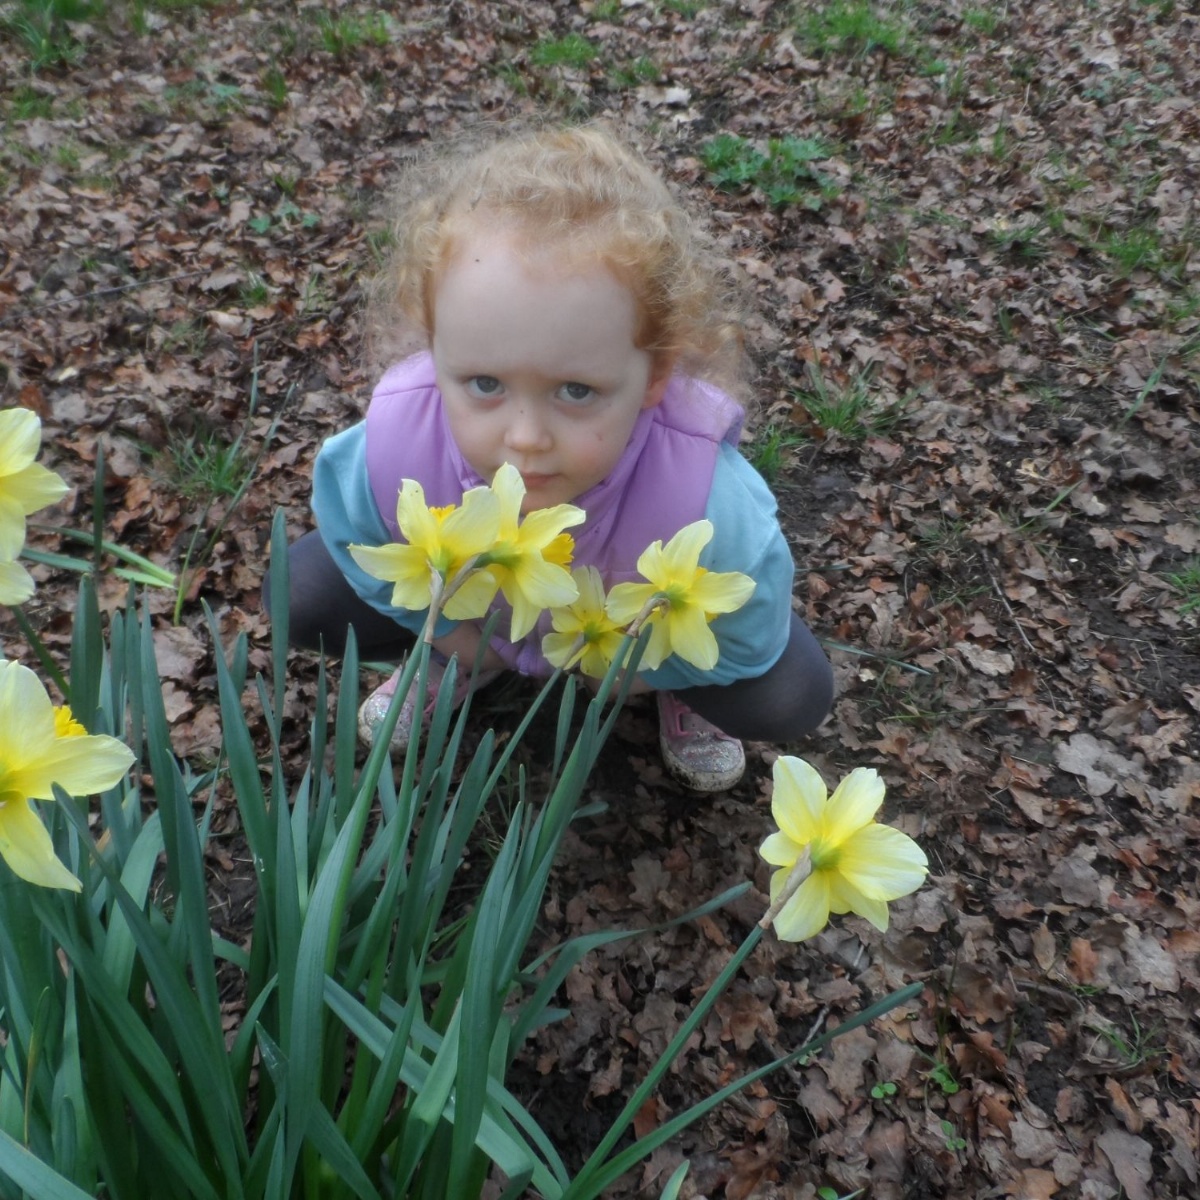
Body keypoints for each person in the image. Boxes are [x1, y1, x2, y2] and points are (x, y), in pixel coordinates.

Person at [276, 122, 833, 792]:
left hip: (629, 648)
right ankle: (458, 660)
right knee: (296, 591)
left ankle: (680, 691)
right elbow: (353, 536)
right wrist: (442, 624)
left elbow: (750, 630)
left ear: (655, 375)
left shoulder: (704, 507)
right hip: (471, 619)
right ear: (436, 348)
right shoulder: (398, 443)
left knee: (790, 694)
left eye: (576, 391)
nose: (525, 438)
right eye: (484, 384)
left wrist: (646, 668)